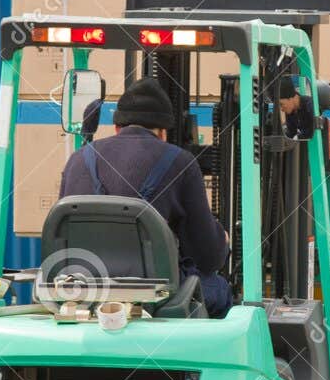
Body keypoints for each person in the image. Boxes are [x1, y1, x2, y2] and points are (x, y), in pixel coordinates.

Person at [59, 78, 232, 316]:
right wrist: (222, 241)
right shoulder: (180, 163)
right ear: (163, 132)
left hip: (82, 294)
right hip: (152, 298)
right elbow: (207, 258)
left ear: (117, 127)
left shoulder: (78, 159)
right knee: (220, 290)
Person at [276, 75, 316, 140]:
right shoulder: (291, 111)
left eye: (281, 104)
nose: (282, 109)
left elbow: (312, 130)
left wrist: (298, 137)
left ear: (290, 98)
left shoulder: (310, 106)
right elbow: (291, 132)